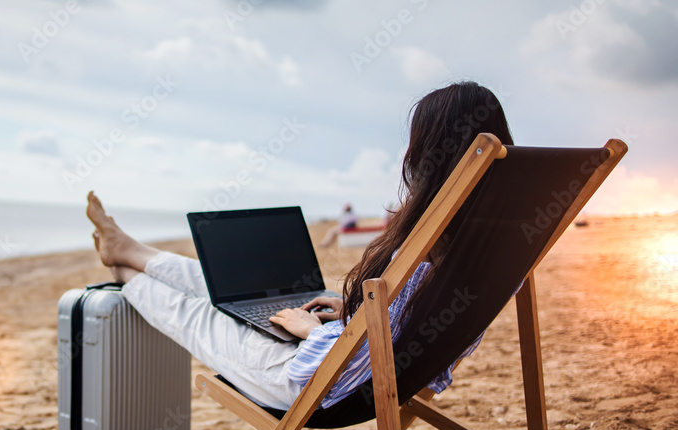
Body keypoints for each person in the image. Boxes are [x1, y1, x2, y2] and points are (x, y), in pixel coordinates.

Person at [86, 81, 513, 411]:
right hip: (357, 356)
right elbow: (408, 322)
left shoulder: (427, 245)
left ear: (428, 154)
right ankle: (128, 252)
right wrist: (351, 315)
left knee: (200, 313)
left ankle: (124, 270)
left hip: (312, 379)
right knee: (225, 287)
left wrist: (313, 331)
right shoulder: (493, 242)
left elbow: (348, 362)